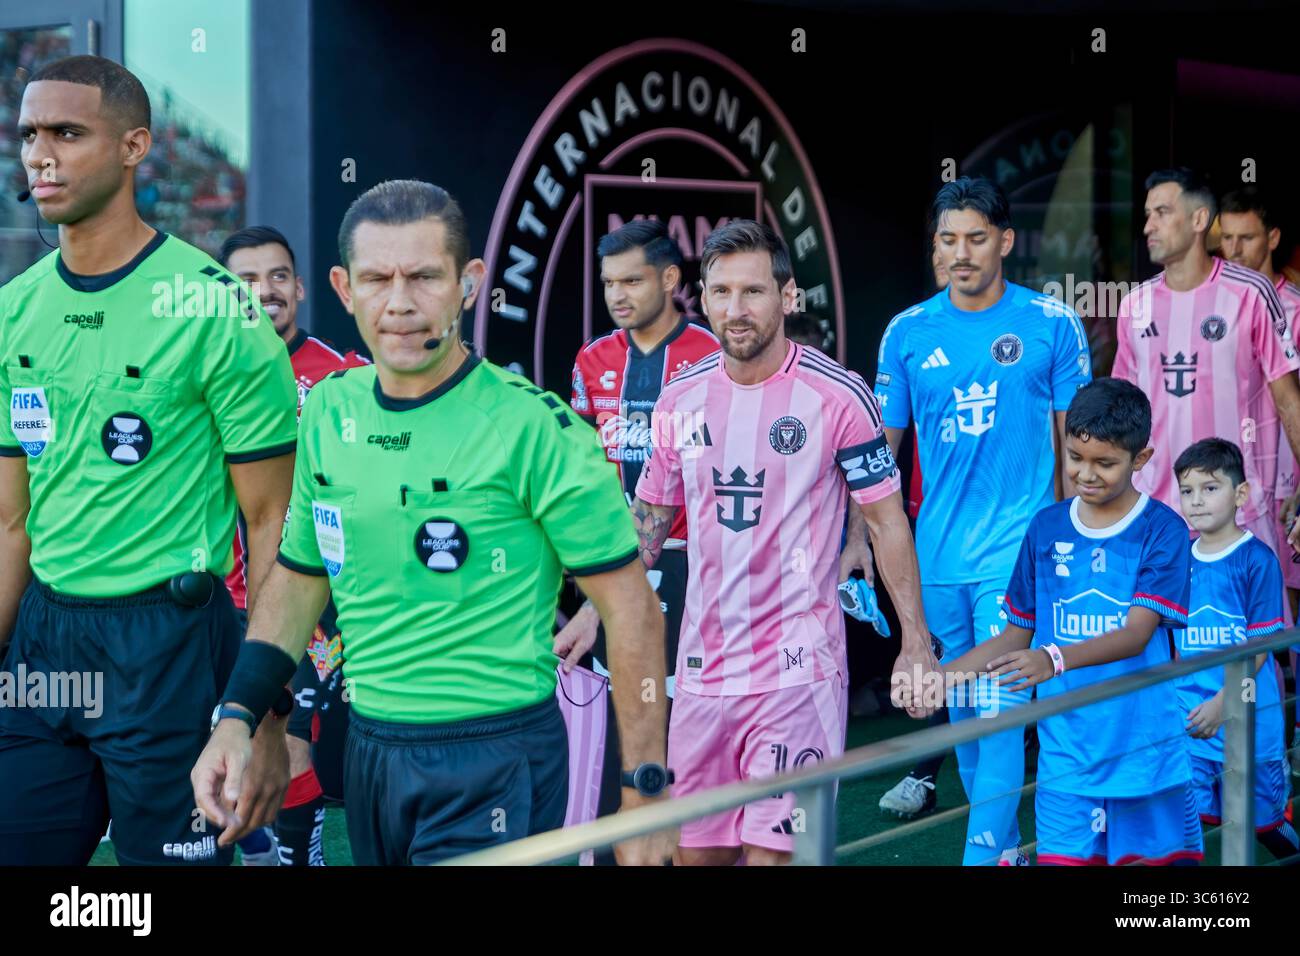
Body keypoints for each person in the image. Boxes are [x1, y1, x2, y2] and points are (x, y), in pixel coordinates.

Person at [191, 179, 675, 865]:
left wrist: (645, 791)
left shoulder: (535, 426)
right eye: (377, 278)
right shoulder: (330, 408)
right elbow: (300, 580)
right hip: (374, 752)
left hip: (498, 759)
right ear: (342, 286)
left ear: (470, 282)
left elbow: (633, 612)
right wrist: (238, 716)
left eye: (423, 277)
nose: (399, 304)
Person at [0, 55, 297, 865]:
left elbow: (273, 522)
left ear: (135, 147)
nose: (40, 154)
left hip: (170, 647)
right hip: (43, 648)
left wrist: (267, 713)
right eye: (30, 133)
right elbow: (10, 522)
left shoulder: (214, 309)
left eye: (68, 132)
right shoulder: (13, 312)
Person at [628, 218, 937, 865]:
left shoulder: (838, 395)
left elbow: (885, 523)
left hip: (798, 675)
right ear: (702, 298)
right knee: (696, 858)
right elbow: (649, 523)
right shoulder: (679, 400)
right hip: (704, 676)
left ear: (788, 297)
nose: (736, 311)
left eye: (753, 292)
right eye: (720, 293)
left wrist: (915, 645)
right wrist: (589, 614)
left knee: (778, 858)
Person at [873, 177, 1091, 864]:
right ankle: (1002, 849)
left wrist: (1069, 545)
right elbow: (881, 461)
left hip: (1016, 557)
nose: (960, 254)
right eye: (947, 240)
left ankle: (982, 858)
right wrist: (858, 541)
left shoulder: (1053, 324)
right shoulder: (907, 332)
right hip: (935, 559)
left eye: (974, 238)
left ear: (1005, 240)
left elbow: (1075, 448)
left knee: (998, 717)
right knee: (965, 719)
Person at [945, 378, 1202, 866]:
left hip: (1145, 757)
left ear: (1140, 459)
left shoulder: (1163, 529)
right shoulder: (1045, 527)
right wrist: (938, 680)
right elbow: (1014, 636)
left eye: (1105, 463)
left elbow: (1137, 633)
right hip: (1065, 764)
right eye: (1075, 457)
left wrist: (1053, 658)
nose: (1087, 473)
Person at [555, 218, 718, 864]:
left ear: (672, 280)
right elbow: (581, 465)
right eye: (607, 284)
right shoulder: (591, 359)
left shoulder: (711, 353)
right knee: (621, 712)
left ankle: (686, 844)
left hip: (695, 564)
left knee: (684, 714)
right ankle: (620, 846)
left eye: (632, 280)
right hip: (610, 566)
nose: (617, 295)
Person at [218, 224, 370, 865]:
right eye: (247, 280)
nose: (265, 291)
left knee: (292, 739)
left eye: (278, 276)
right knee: (215, 743)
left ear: (301, 288)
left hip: (308, 596)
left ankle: (297, 859)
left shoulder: (346, 376)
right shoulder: (203, 371)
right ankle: (252, 852)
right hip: (210, 594)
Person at [1113, 169, 1300, 569]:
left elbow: (1288, 400)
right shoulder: (1134, 305)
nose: (1149, 226)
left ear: (1199, 221)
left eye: (1162, 212)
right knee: (1161, 631)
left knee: (1257, 632)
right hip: (1156, 517)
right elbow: (1122, 412)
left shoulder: (1251, 293)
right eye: (1147, 215)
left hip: (1240, 513)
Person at [1171, 437, 1299, 860]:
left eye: (1210, 488)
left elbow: (1260, 646)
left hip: (1245, 718)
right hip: (1191, 718)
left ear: (1240, 493)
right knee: (1188, 824)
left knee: (1261, 825)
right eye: (1187, 490)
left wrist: (1224, 703)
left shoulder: (1256, 559)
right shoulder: (1178, 560)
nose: (1197, 501)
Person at [1217, 186, 1300, 773]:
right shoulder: (1215, 305)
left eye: (1245, 238)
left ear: (1271, 239)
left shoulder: (1293, 307)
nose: (1234, 249)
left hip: (1290, 487)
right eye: (1225, 238)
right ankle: (1253, 750)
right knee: (1252, 621)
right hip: (1244, 494)